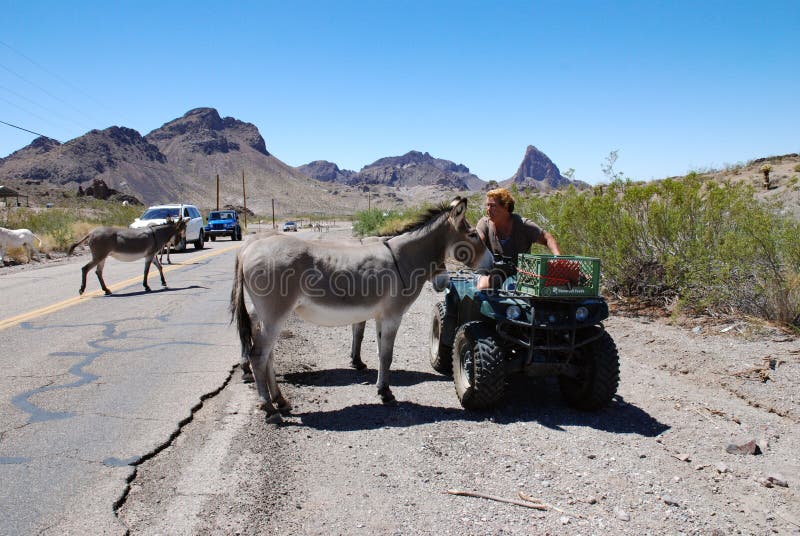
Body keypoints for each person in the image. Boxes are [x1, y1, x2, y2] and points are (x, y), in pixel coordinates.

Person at [475, 187, 561, 289]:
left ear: (505, 207)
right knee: (484, 286)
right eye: (487, 205)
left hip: (519, 273)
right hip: (489, 272)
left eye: (493, 206)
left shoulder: (522, 224)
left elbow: (547, 238)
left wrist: (558, 257)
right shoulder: (484, 223)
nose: (488, 209)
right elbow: (479, 239)